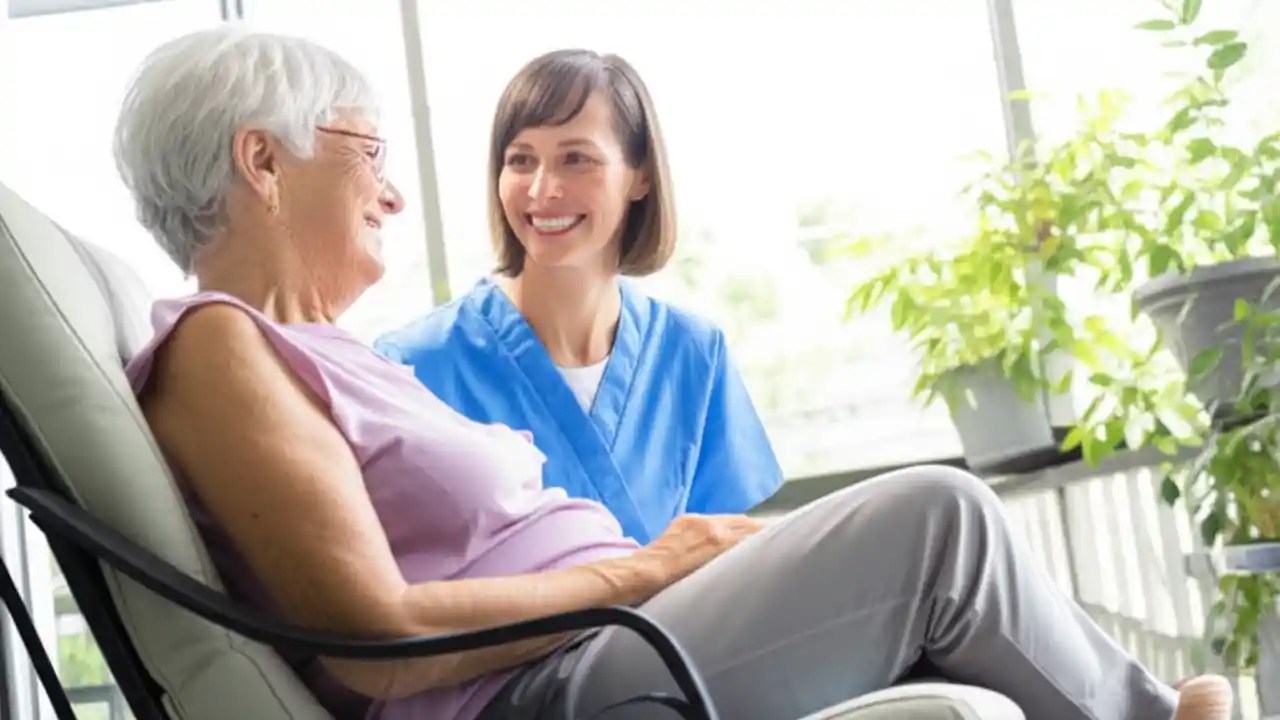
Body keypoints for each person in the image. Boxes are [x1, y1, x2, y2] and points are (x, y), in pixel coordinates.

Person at [114, 25, 1231, 720]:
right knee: (942, 517)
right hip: (549, 689)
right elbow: (378, 642)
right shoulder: (222, 346)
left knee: (934, 566)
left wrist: (690, 562)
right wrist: (640, 573)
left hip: (619, 639)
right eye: (367, 152)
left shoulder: (327, 353)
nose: (396, 194)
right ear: (260, 159)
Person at [374, 49, 782, 544]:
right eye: (521, 160)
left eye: (576, 159)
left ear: (640, 176)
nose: (543, 190)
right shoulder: (414, 368)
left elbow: (729, 559)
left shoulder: (694, 353)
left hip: (680, 625)